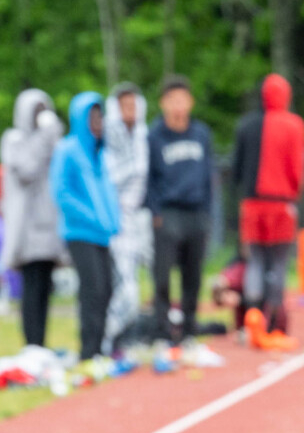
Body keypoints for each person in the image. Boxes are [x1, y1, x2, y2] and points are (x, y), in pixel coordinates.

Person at [230, 73, 304, 345]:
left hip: (252, 204)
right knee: (277, 265)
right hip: (281, 204)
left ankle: (250, 320)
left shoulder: (246, 125)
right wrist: (294, 195)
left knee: (255, 262)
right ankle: (273, 321)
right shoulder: (294, 125)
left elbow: (236, 168)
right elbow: (297, 167)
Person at [144, 75, 215, 340]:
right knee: (162, 276)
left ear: (190, 103)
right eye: (172, 100)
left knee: (193, 276)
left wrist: (207, 212)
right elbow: (148, 177)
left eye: (182, 100)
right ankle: (162, 328)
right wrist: (155, 211)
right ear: (163, 103)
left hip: (195, 212)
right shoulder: (154, 136)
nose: (177, 106)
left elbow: (209, 177)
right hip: (168, 212)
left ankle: (189, 328)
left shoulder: (201, 134)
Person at [53, 92, 121, 361]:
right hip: (80, 232)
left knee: (107, 288)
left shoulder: (99, 152)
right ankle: (88, 349)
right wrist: (92, 217)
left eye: (100, 116)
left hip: (102, 233)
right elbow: (61, 192)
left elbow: (107, 191)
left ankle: (99, 346)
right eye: (92, 116)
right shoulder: (68, 150)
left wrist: (112, 220)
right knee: (92, 289)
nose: (97, 122)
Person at [0, 88, 64, 348]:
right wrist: (44, 136)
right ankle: (31, 344)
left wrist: (52, 135)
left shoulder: (50, 140)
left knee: (46, 288)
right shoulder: (13, 139)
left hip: (50, 228)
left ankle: (42, 344)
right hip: (27, 230)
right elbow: (27, 169)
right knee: (31, 287)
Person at [102, 83, 149, 349]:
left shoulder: (143, 136)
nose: (129, 111)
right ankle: (110, 336)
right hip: (111, 219)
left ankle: (128, 335)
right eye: (124, 105)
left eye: (133, 105)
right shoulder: (107, 137)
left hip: (137, 220)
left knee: (134, 283)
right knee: (120, 285)